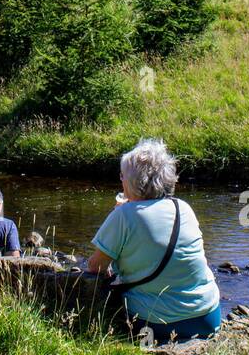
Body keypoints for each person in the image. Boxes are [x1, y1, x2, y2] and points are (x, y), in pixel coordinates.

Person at [86, 138, 221, 342]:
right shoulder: (182, 207)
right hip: (208, 317)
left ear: (132, 181)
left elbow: (95, 267)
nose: (120, 180)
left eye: (122, 175)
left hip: (156, 324)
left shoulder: (124, 215)